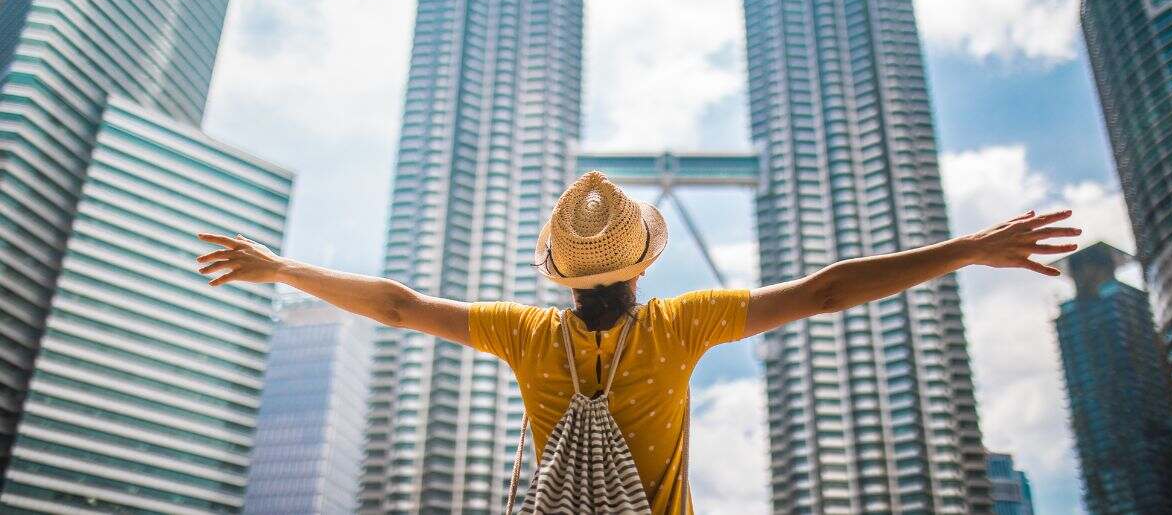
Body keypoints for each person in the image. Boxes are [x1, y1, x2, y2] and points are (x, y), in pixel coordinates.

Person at [195, 170, 1081, 513]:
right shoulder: (679, 324)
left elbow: (396, 305)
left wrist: (283, 269)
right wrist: (968, 247)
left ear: (562, 272)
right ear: (641, 263)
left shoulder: (526, 333)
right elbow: (826, 291)